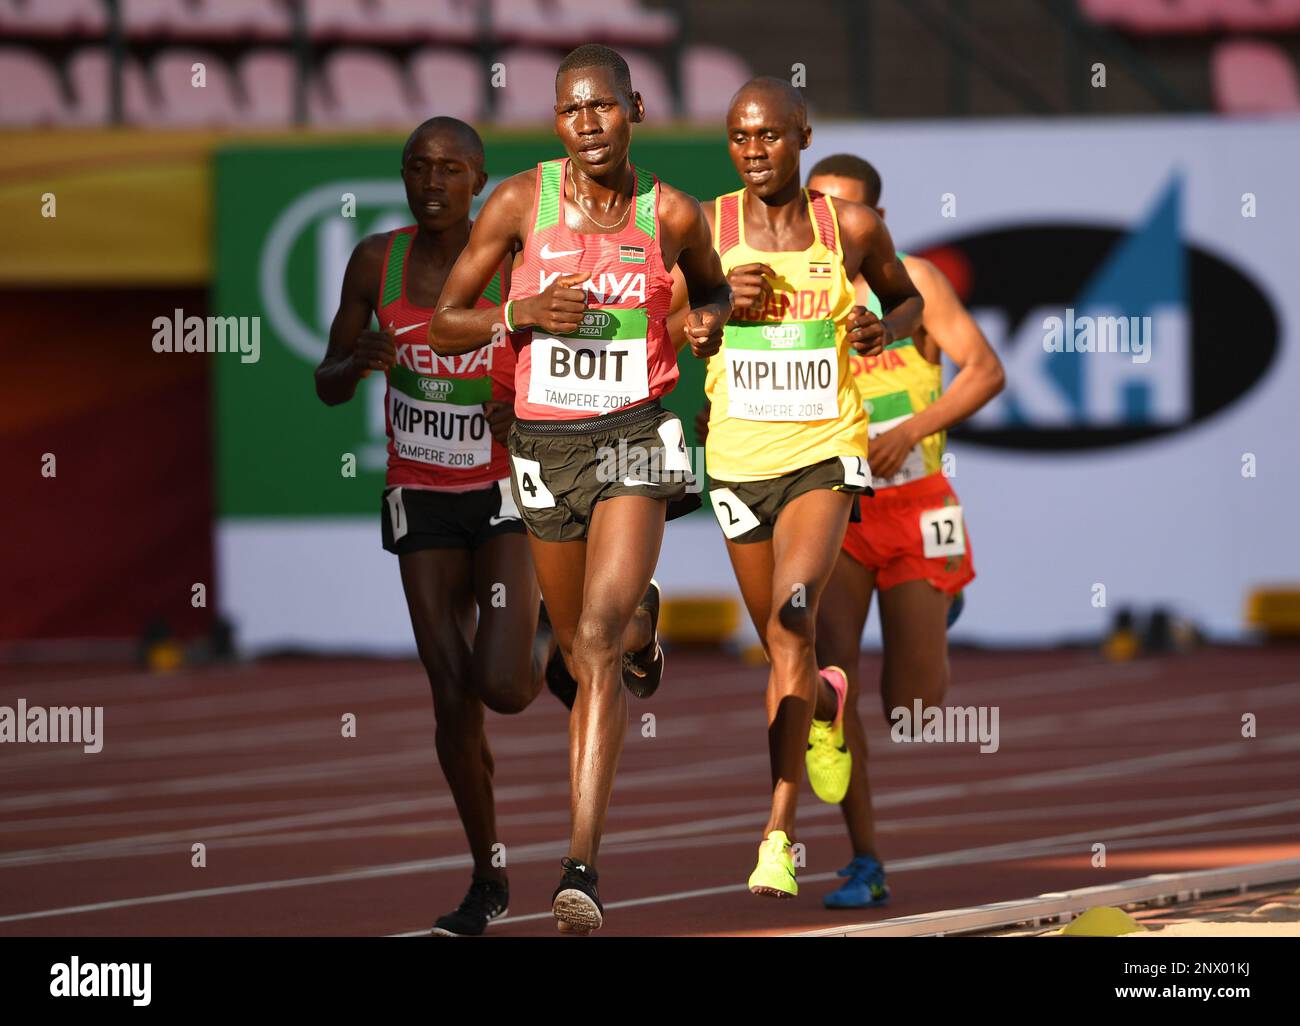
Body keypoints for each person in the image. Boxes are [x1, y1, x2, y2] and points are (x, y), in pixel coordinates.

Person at [428, 44, 730, 933]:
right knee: (572, 645)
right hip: (543, 446)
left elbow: (710, 294)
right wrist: (517, 313)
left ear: (634, 107)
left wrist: (706, 321)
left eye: (602, 106)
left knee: (591, 643)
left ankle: (581, 868)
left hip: (635, 435)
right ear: (557, 122)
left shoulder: (670, 212)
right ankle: (645, 625)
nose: (588, 124)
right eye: (571, 111)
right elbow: (447, 324)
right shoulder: (521, 202)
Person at [315, 117, 554, 937]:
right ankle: (487, 873)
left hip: (500, 491)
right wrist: (356, 363)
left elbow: (559, 367)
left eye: (452, 168)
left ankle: (555, 627)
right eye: (419, 166)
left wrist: (514, 406)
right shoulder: (374, 261)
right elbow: (326, 379)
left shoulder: (513, 266)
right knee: (449, 692)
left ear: (480, 181)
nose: (433, 181)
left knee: (506, 688)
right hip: (419, 492)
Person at [695, 80, 922, 899]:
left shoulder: (852, 228)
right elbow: (672, 322)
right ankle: (825, 701)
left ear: (802, 136)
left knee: (797, 609)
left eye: (769, 136)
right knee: (785, 649)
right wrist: (712, 313)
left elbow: (906, 300)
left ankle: (777, 834)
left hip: (825, 451)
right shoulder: (703, 227)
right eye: (738, 137)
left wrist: (879, 327)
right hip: (737, 459)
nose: (753, 151)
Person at [806, 153, 1005, 908]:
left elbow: (986, 371)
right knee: (833, 681)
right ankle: (866, 858)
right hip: (839, 508)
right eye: (817, 207)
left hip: (922, 506)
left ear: (876, 222)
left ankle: (938, 611)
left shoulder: (915, 283)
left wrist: (913, 427)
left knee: (912, 712)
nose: (831, 224)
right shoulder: (795, 295)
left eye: (846, 210)